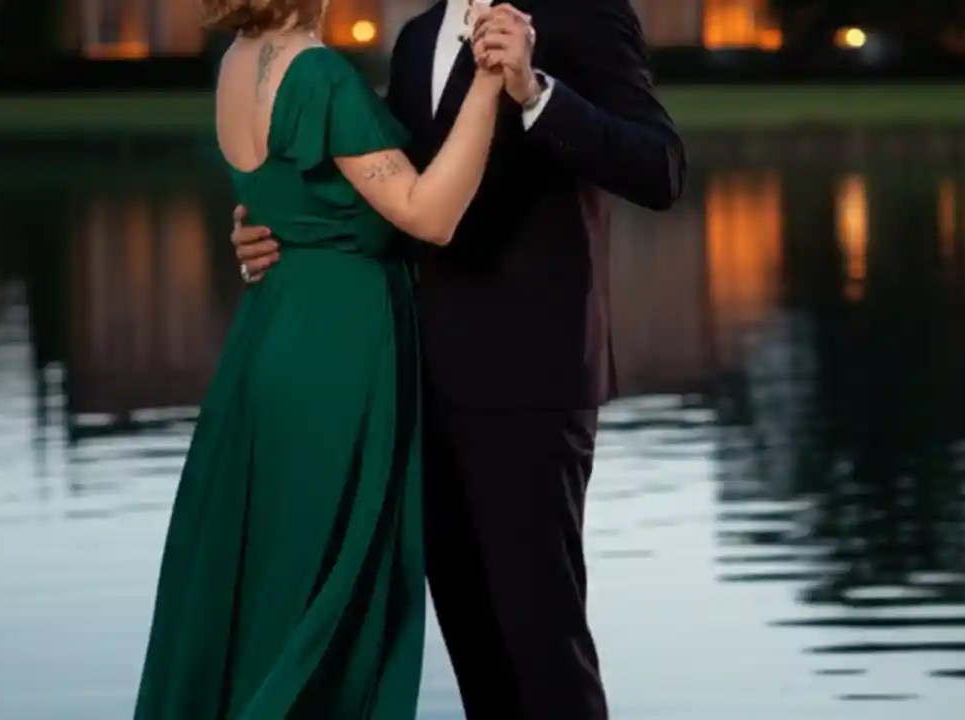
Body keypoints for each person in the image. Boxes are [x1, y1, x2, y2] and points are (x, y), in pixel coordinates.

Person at [232, 1, 687, 718]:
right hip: (417, 380)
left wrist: (534, 93)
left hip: (531, 382)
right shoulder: (418, 38)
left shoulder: (585, 13)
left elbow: (660, 169)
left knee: (544, 648)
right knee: (476, 651)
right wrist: (279, 234)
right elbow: (396, 191)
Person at [132, 0, 508, 717]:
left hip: (271, 334)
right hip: (339, 347)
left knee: (276, 578)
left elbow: (282, 199)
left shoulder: (236, 64)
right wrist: (488, 84)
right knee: (332, 588)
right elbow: (430, 215)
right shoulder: (319, 75)